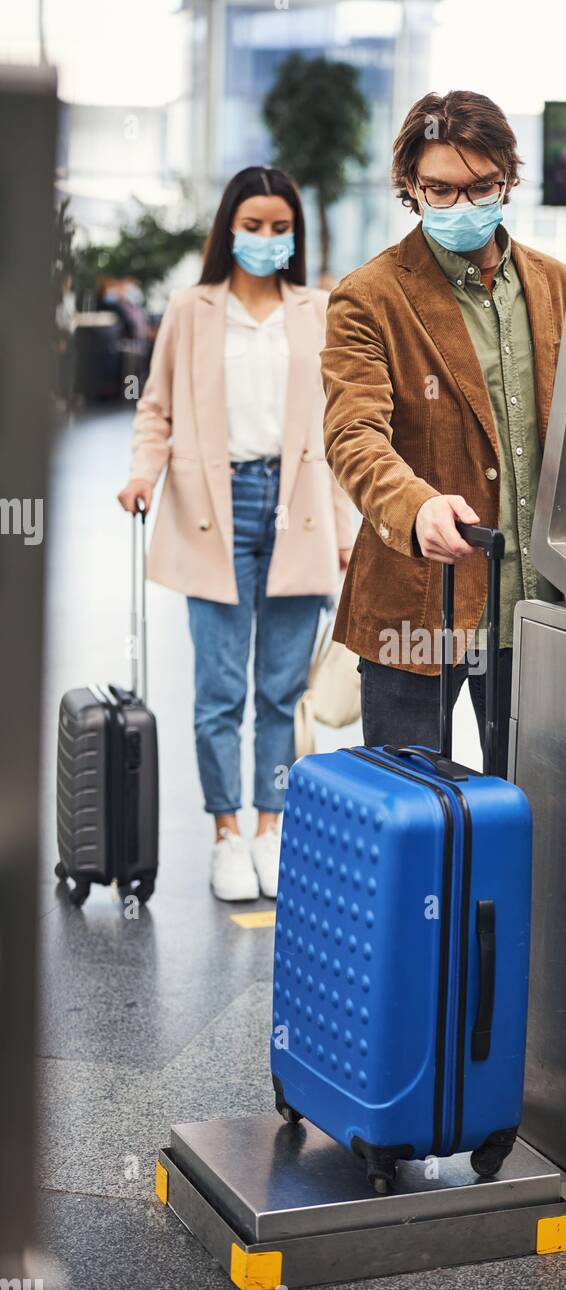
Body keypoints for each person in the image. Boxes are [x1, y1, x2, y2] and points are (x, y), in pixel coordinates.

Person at [118, 166, 354, 900]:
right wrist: (141, 476)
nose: (265, 238)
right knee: (219, 691)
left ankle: (271, 828)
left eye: (279, 227)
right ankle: (226, 834)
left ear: (296, 234)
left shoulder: (318, 310)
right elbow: (156, 409)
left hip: (300, 510)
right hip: (210, 507)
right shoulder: (193, 310)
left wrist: (349, 525)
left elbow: (345, 428)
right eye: (251, 225)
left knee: (282, 692)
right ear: (227, 229)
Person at [321, 91, 566, 775]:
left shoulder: (559, 288)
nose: (462, 204)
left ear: (508, 181)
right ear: (410, 186)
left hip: (539, 610)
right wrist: (415, 505)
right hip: (416, 603)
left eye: (481, 187)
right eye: (440, 189)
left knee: (534, 815)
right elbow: (353, 434)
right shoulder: (370, 297)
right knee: (412, 817)